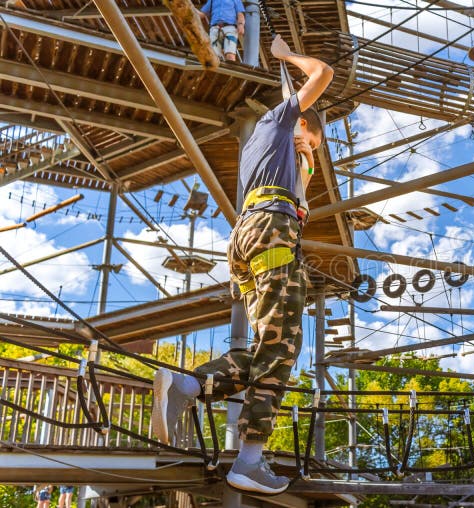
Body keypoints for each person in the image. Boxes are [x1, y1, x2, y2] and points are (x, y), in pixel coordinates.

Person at [152, 34, 333, 496]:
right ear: (302, 125)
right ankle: (249, 459)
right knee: (281, 352)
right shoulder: (277, 121)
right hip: (271, 233)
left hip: (248, 238)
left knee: (260, 350)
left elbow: (301, 198)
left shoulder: (268, 157)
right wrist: (285, 56)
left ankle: (187, 387)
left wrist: (306, 169)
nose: (308, 150)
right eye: (309, 141)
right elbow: (322, 74)